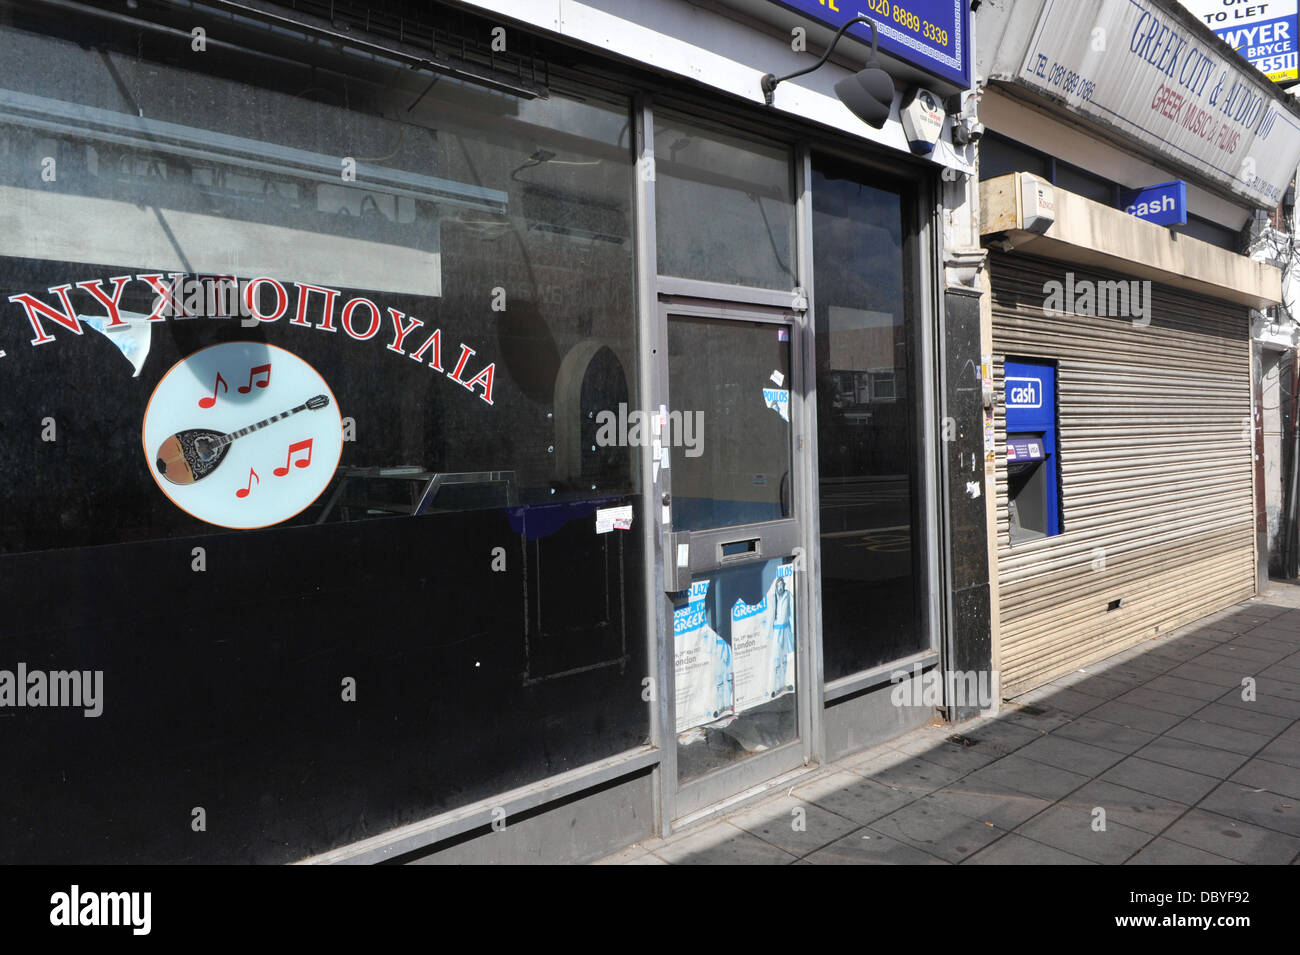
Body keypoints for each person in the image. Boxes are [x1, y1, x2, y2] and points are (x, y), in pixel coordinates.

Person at [771, 576, 794, 693]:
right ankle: (776, 686)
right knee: (776, 659)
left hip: (785, 629)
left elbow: (792, 613)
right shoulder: (773, 598)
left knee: (786, 658)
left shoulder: (788, 595)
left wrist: (794, 631)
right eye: (778, 586)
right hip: (776, 632)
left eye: (782, 585)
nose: (780, 588)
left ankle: (786, 683)